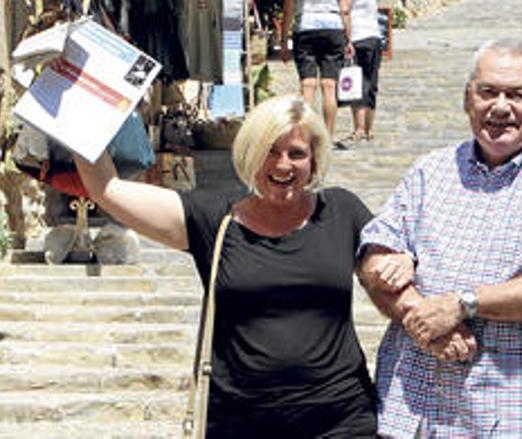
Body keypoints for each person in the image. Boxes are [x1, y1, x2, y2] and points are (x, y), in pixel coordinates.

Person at [74, 95, 381, 437]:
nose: (283, 165)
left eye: (296, 153)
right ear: (250, 152)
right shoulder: (214, 219)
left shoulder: (342, 211)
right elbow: (106, 188)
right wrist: (78, 101)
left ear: (314, 159)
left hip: (341, 421)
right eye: (270, 151)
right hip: (240, 423)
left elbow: (390, 268)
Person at [357, 38, 522, 438]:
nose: (500, 107)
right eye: (487, 92)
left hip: (519, 414)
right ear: (467, 99)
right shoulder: (429, 172)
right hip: (418, 412)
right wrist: (422, 319)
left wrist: (463, 306)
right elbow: (375, 256)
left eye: (517, 95)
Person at [281, 0, 352, 146]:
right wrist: (348, 38)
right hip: (333, 29)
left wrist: (284, 41)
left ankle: (306, 135)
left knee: (307, 85)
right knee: (329, 86)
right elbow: (345, 9)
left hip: (305, 29)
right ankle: (328, 137)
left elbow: (288, 10)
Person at [340, 0, 382, 143]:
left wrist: (346, 37)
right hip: (374, 33)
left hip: (356, 34)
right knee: (371, 82)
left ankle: (357, 129)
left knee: (356, 81)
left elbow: (345, 6)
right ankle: (369, 129)